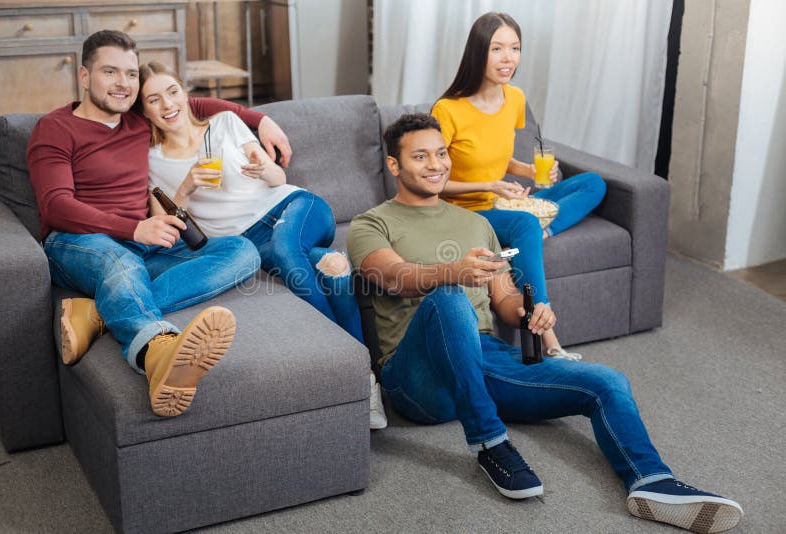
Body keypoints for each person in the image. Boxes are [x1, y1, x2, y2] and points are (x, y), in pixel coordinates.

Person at [346, 113, 743, 533]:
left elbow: (502, 300)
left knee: (607, 382)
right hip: (417, 377)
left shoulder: (476, 223)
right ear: (395, 166)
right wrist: (451, 273)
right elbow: (391, 276)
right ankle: (490, 442)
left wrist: (527, 311)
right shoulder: (371, 223)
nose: (436, 164)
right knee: (447, 297)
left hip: (485, 357)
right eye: (420, 156)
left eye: (441, 153)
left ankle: (651, 481)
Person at [27, 30, 289, 418]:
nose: (123, 84)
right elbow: (56, 207)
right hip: (79, 243)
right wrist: (132, 228)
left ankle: (100, 313)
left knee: (241, 251)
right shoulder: (55, 128)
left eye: (131, 75)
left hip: (144, 244)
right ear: (84, 77)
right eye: (110, 72)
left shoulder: (136, 120)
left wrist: (260, 118)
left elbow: (193, 102)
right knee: (119, 262)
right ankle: (157, 351)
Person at [136, 61, 387, 429]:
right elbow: (169, 227)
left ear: (185, 93)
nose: (167, 104)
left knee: (288, 251)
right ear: (144, 110)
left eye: (172, 91)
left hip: (295, 207)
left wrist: (261, 167)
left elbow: (278, 177)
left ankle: (348, 370)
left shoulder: (223, 123)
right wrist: (186, 187)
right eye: (153, 99)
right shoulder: (150, 160)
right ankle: (368, 383)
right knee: (333, 268)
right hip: (249, 240)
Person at [431, 12, 608, 360]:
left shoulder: (514, 99)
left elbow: (498, 156)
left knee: (593, 183)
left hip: (504, 201)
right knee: (525, 222)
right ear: (478, 52)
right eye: (497, 48)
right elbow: (434, 184)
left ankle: (543, 231)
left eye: (515, 48)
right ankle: (550, 340)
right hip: (465, 211)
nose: (508, 58)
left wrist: (528, 170)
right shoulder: (447, 110)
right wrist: (492, 185)